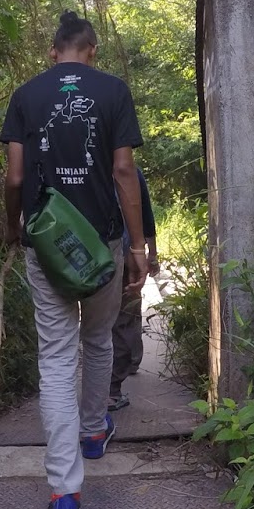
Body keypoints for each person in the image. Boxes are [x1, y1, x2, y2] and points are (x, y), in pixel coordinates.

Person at [1, 11, 147, 509]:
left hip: (48, 244)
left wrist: (13, 228)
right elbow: (123, 170)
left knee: (57, 356)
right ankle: (92, 431)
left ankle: (64, 491)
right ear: (92, 50)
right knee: (100, 338)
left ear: (53, 51)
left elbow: (15, 177)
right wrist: (137, 246)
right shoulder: (113, 91)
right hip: (103, 239)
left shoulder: (27, 95)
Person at [108, 168, 159, 411]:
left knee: (105, 322)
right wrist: (150, 253)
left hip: (87, 257)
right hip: (125, 254)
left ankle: (113, 380)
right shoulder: (130, 172)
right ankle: (113, 388)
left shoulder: (79, 165)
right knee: (125, 317)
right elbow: (145, 214)